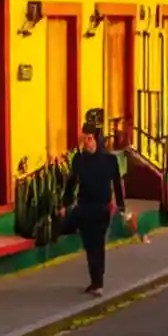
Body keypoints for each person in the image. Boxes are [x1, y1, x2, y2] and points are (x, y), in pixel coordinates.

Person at [60, 126, 128, 297]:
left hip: (102, 208)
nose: (86, 143)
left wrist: (120, 207)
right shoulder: (79, 159)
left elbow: (117, 184)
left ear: (97, 139)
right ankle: (95, 281)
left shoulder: (109, 160)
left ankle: (98, 282)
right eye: (84, 139)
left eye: (89, 139)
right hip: (84, 206)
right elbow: (71, 183)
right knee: (90, 245)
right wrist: (64, 204)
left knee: (98, 244)